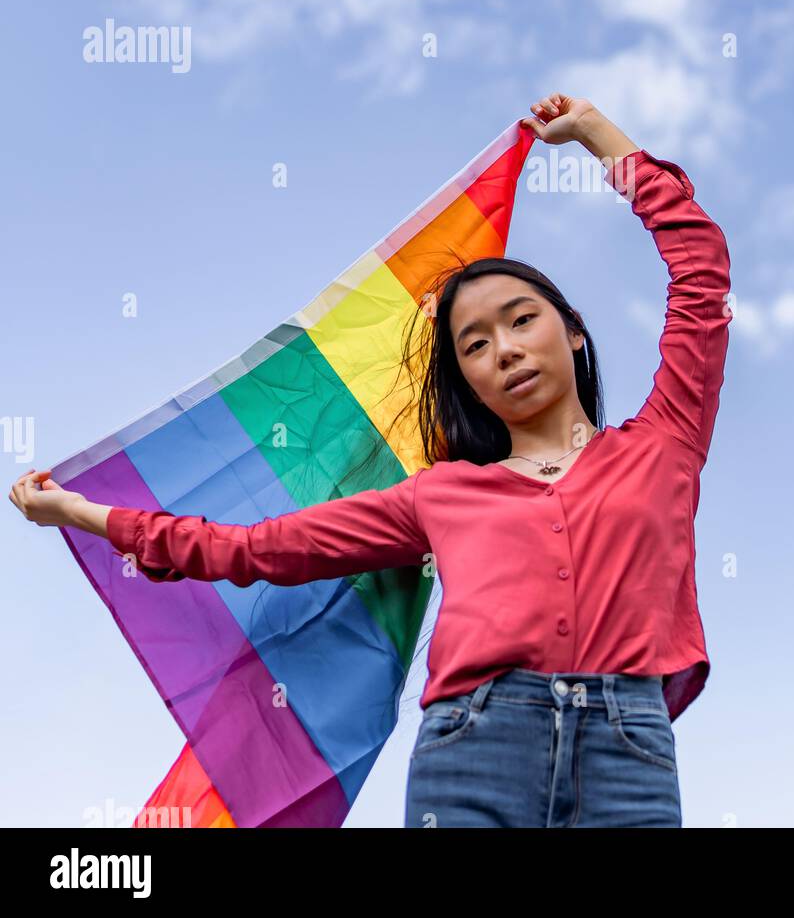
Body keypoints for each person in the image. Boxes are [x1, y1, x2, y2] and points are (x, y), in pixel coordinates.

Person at [11, 94, 733, 828]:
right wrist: (83, 513)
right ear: (467, 382)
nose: (505, 349)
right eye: (474, 344)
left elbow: (700, 271)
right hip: (474, 746)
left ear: (572, 332)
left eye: (521, 320)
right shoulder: (439, 495)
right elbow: (258, 550)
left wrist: (592, 133)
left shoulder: (663, 443)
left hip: (628, 750)